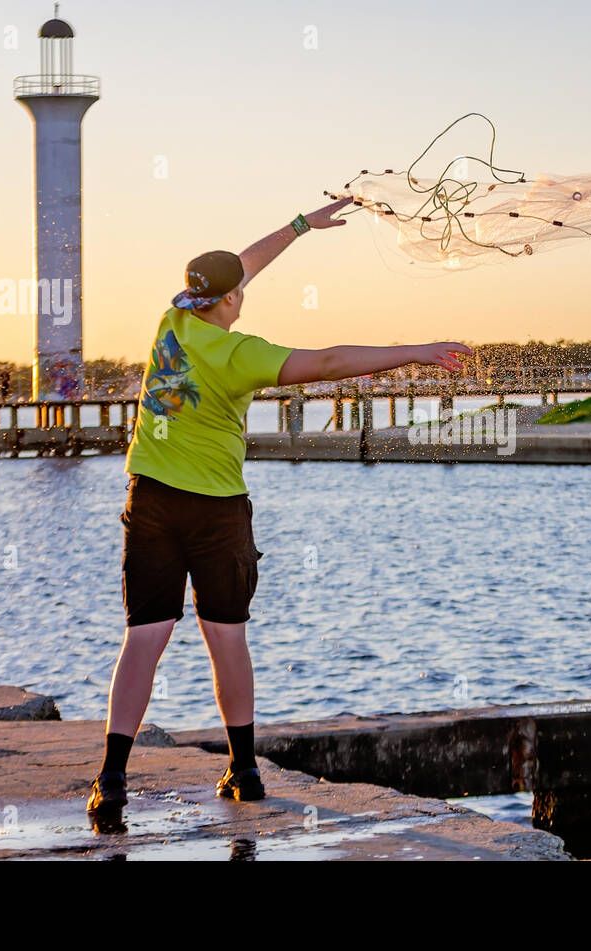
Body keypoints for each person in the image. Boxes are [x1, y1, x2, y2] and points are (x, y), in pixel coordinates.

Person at [86, 196, 471, 826]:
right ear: (232, 302)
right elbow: (327, 362)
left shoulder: (172, 322)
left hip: (150, 499)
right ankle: (244, 768)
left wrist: (300, 227)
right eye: (241, 291)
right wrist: (417, 350)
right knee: (226, 636)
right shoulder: (242, 356)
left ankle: (111, 779)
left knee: (146, 636)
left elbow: (241, 264)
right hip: (215, 512)